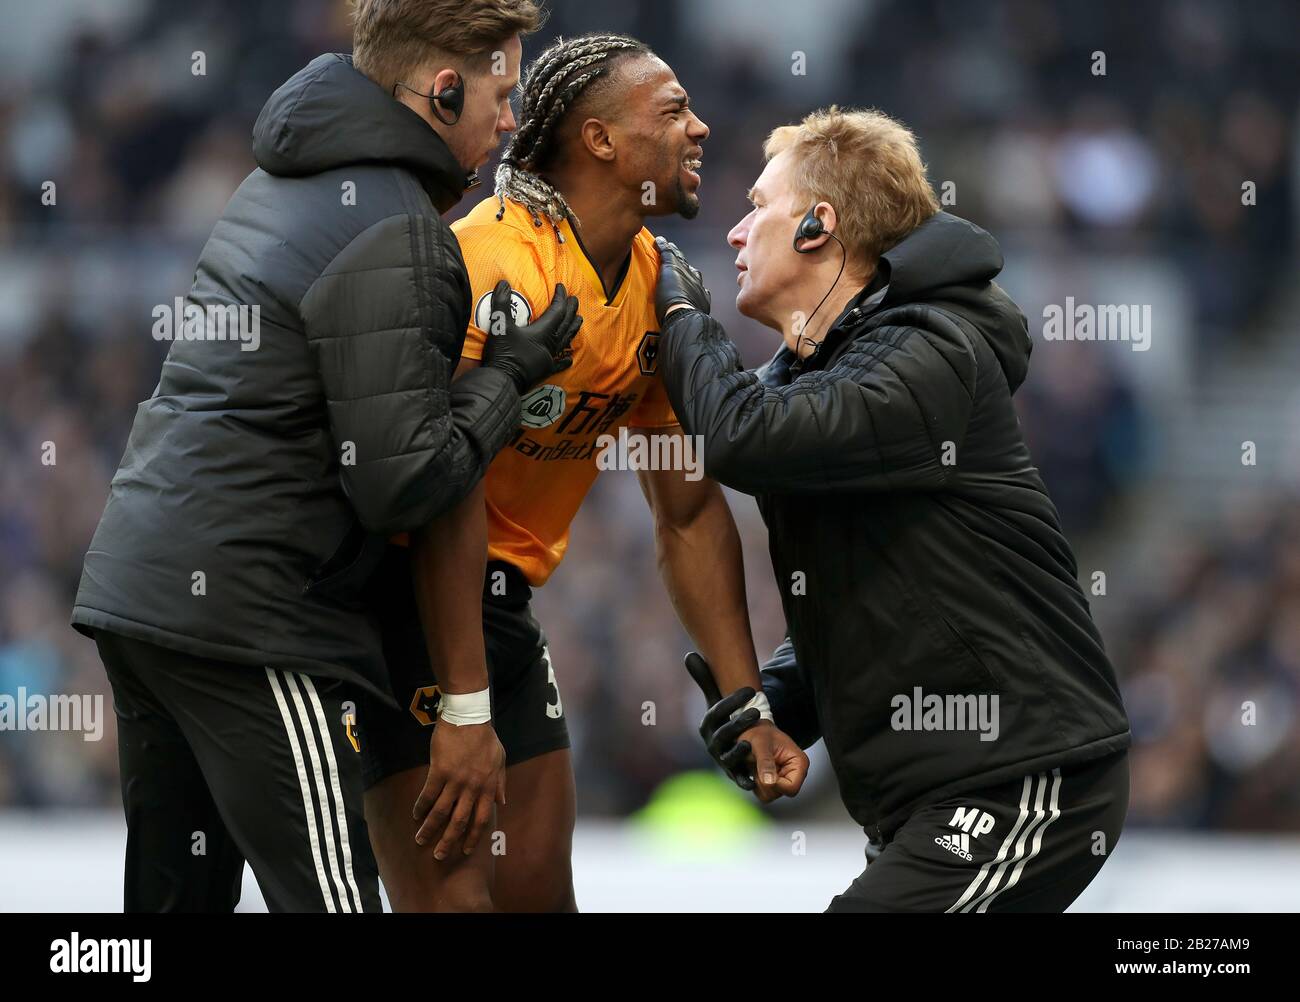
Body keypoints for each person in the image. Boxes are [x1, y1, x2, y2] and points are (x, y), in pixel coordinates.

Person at [70, 0, 580, 912]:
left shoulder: (286, 178)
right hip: (249, 617)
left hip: (141, 594)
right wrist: (508, 376)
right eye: (502, 91)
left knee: (169, 908)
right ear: (443, 86)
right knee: (336, 901)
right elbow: (403, 482)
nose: (511, 120)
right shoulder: (397, 225)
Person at [357, 32, 808, 913]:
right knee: (451, 906)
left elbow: (685, 512)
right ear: (600, 141)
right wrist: (459, 705)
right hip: (398, 609)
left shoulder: (656, 285)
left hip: (503, 613)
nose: (702, 129)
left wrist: (746, 700)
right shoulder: (482, 258)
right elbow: (432, 482)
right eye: (673, 111)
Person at [655, 106, 1131, 912]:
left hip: (1022, 780)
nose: (735, 234)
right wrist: (772, 705)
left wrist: (677, 315)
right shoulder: (830, 373)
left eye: (756, 207)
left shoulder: (934, 347)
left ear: (818, 225)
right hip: (935, 792)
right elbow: (879, 601)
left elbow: (739, 435)